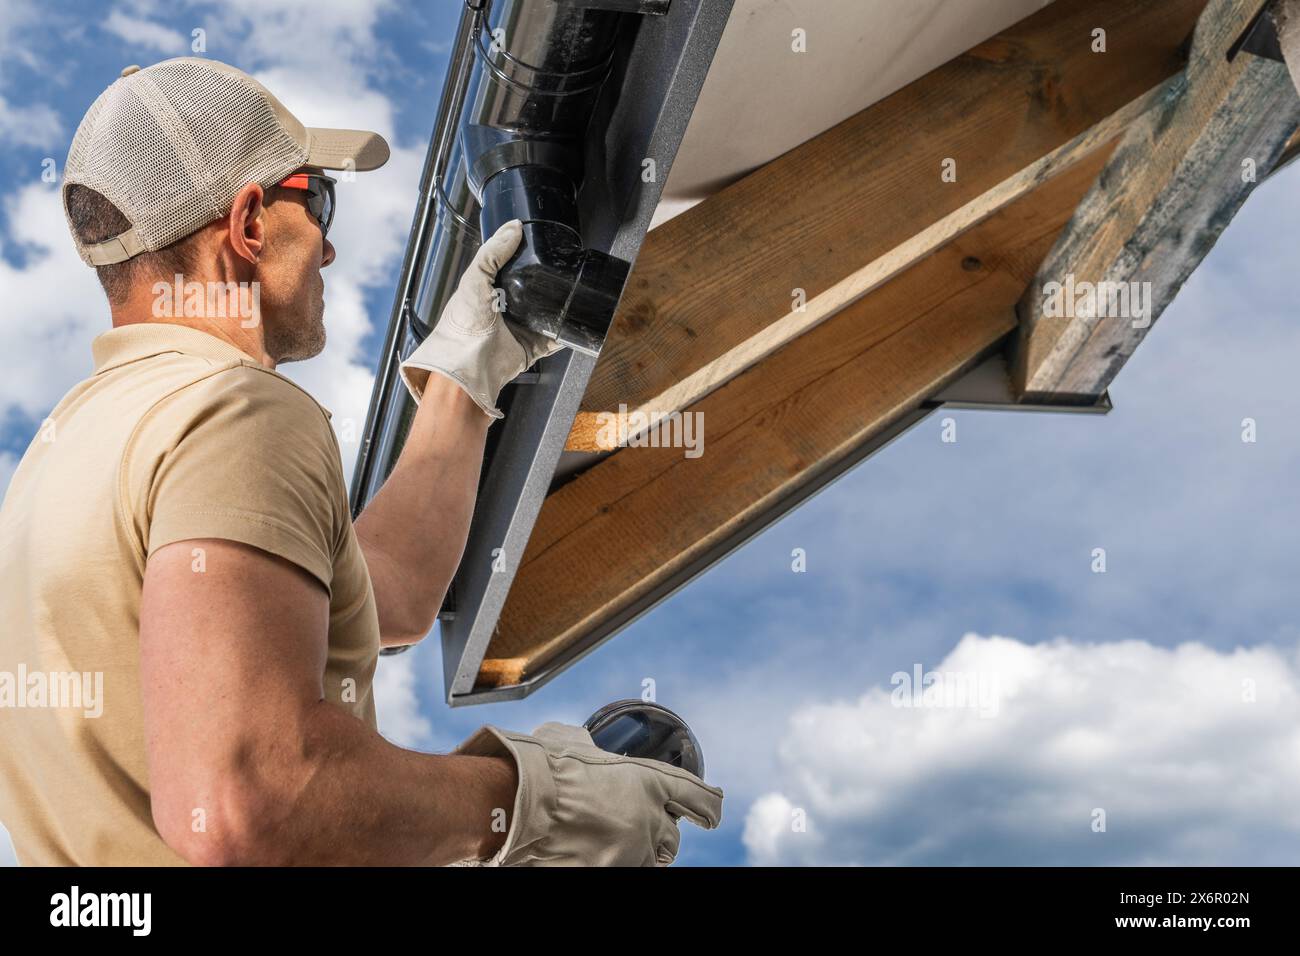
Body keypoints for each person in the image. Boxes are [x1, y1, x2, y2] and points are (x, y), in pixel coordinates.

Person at [0, 57, 722, 866]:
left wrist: (463, 377)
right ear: (248, 225)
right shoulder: (234, 411)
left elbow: (385, 596)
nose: (331, 251)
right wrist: (545, 802)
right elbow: (249, 802)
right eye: (318, 201)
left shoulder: (58, 466)